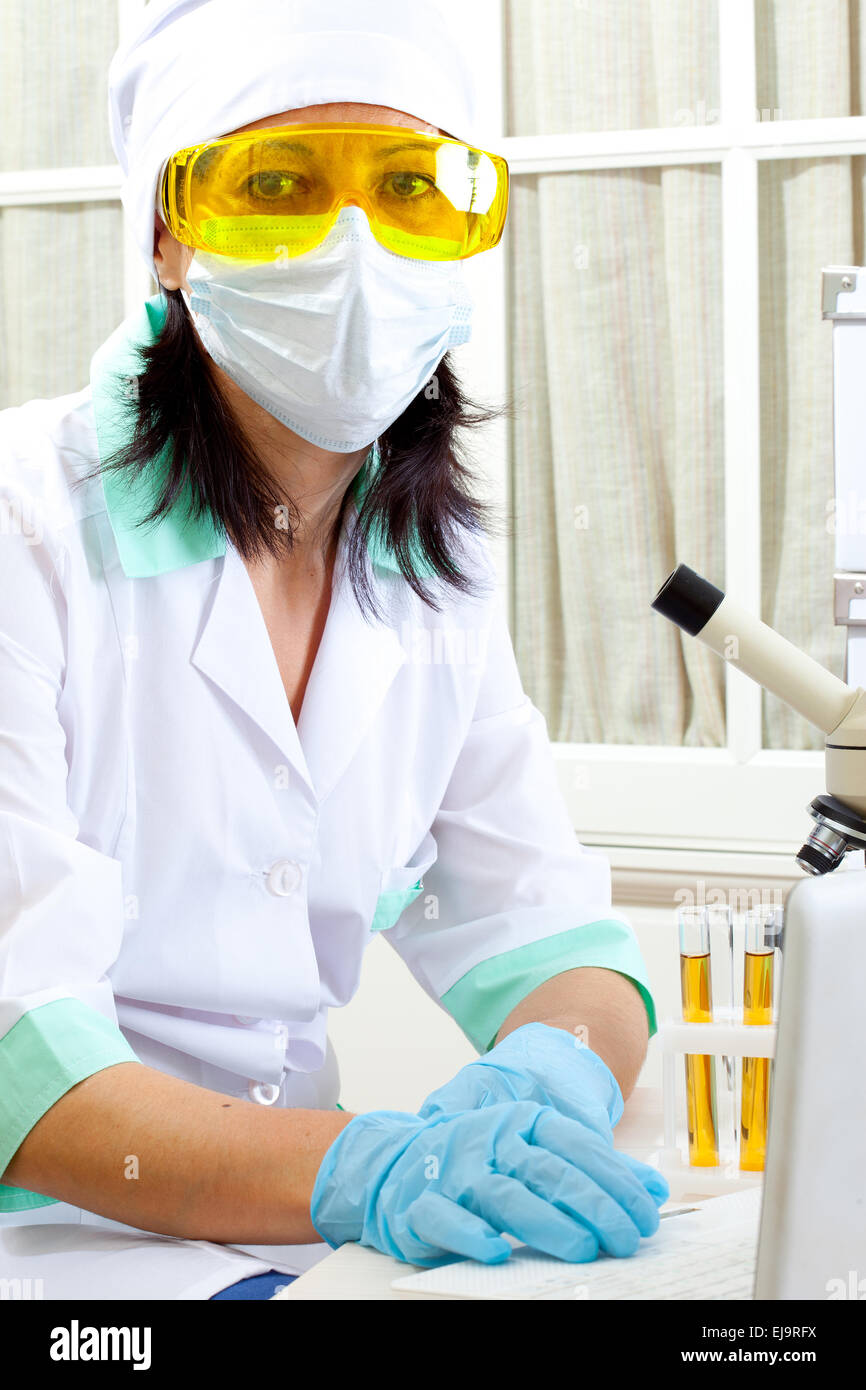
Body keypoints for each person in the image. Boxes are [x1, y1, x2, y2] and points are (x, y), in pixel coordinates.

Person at [0, 0, 667, 1300]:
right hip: (47, 1257)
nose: (354, 243)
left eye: (414, 186)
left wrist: (539, 1080)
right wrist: (366, 1165)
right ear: (168, 233)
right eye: (278, 184)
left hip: (301, 1247)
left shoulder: (427, 565)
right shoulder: (23, 522)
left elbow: (546, 930)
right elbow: (19, 1050)